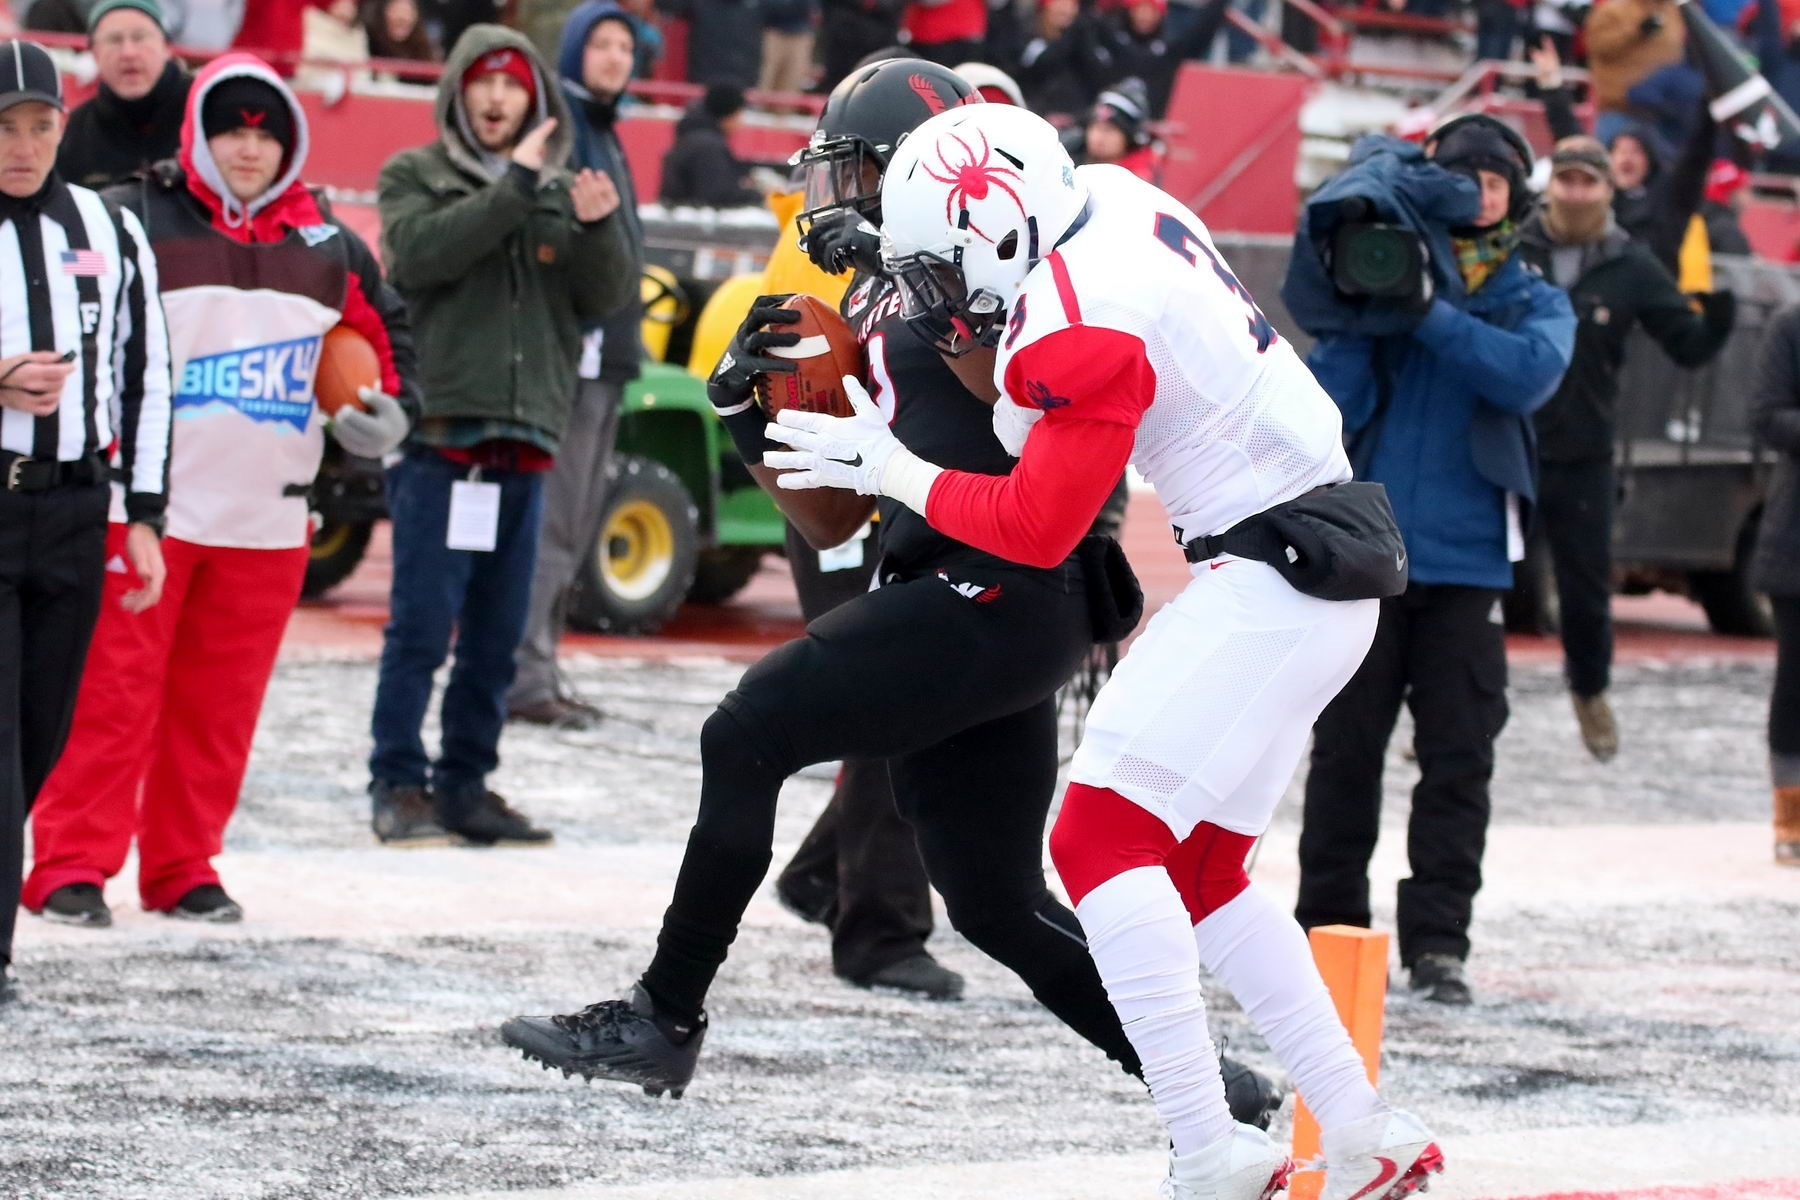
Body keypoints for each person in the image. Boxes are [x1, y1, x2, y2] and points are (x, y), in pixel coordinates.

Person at [496, 61, 1282, 1138]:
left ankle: (663, 1014)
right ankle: (1209, 1080)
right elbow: (830, 518)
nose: (828, 197)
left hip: (1004, 583)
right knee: (996, 902)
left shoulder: (999, 256)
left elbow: (1005, 395)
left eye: (848, 171)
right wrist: (748, 414)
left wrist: (917, 268)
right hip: (966, 588)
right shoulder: (881, 288)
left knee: (746, 733)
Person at [760, 98, 1440, 1200]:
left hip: (1270, 578)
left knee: (1094, 841)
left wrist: (890, 468)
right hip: (1311, 566)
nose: (936, 302)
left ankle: (1208, 1145)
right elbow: (1031, 391)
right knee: (1203, 872)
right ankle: (1362, 1126)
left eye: (939, 274)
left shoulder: (1081, 317)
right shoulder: (1110, 199)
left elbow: (1038, 524)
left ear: (999, 230)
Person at [24, 54, 419, 929]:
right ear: (198, 135)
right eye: (230, 130)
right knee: (110, 702)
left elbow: (387, 338)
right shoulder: (134, 218)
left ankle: (183, 866)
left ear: (290, 143)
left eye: (265, 133)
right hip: (145, 515)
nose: (248, 147)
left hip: (267, 520)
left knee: (218, 713)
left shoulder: (330, 244)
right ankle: (70, 864)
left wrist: (394, 412)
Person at [1296, 116, 1574, 1010]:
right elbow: (1323, 409)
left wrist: (1432, 313)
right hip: (1368, 563)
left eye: (1495, 181)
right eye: (1462, 178)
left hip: (1470, 569)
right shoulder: (1377, 272)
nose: (1479, 195)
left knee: (1458, 760)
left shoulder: (1530, 296)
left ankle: (1439, 944)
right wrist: (1369, 311)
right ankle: (1326, 931)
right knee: (1345, 755)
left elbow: (1526, 375)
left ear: (1517, 198)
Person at [368, 24, 634, 847]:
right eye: (482, 81)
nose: (495, 97)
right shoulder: (413, 174)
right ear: (456, 90)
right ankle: (397, 783)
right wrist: (516, 184)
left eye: (512, 84)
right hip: (441, 440)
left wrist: (600, 228)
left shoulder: (559, 187)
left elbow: (603, 296)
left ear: (534, 99)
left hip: (526, 442)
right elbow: (417, 257)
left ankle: (466, 785)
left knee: (494, 638)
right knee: (421, 630)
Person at [0, 38, 171, 1004]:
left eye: (39, 126)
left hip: (75, 507)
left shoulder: (111, 228)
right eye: (3, 128)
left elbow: (148, 375)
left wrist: (144, 512)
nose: (22, 146)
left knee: (40, 735)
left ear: (63, 128)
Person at [1516, 135, 1733, 762]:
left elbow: (1685, 345)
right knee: (1484, 584)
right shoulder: (1513, 250)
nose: (1576, 194)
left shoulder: (1630, 264)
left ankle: (1590, 692)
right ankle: (1452, 704)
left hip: (1584, 452)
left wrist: (1716, 318)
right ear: (1549, 186)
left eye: (1588, 183)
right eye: (1566, 181)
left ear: (1608, 191)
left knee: (1585, 590)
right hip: (1509, 443)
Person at [508, 0, 647, 729]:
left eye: (625, 45)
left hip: (608, 360)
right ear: (573, 52)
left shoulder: (605, 129)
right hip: (577, 360)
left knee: (576, 524)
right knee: (553, 528)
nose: (616, 57)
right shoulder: (565, 129)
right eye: (602, 44)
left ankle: (542, 667)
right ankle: (524, 677)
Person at [1751, 299, 1800, 866]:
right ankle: (1791, 815)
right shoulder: (1790, 325)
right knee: (1796, 682)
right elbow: (1767, 416)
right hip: (1796, 542)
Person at [58, 0, 193, 190]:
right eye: (114, 40)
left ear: (167, 47)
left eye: (139, 38)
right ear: (94, 53)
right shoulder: (74, 134)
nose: (128, 53)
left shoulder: (204, 111)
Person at [658, 84, 762, 208]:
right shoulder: (708, 146)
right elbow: (716, 196)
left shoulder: (693, 137)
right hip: (693, 217)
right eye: (739, 115)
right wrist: (758, 195)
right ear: (728, 114)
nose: (741, 123)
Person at [1078, 78, 1157, 181]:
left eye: (1109, 130)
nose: (1097, 136)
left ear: (1130, 138)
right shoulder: (1071, 157)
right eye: (1094, 127)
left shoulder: (1137, 180)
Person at [759, 0, 819, 92]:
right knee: (764, 82)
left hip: (801, 35)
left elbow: (813, 10)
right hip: (771, 32)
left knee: (791, 86)